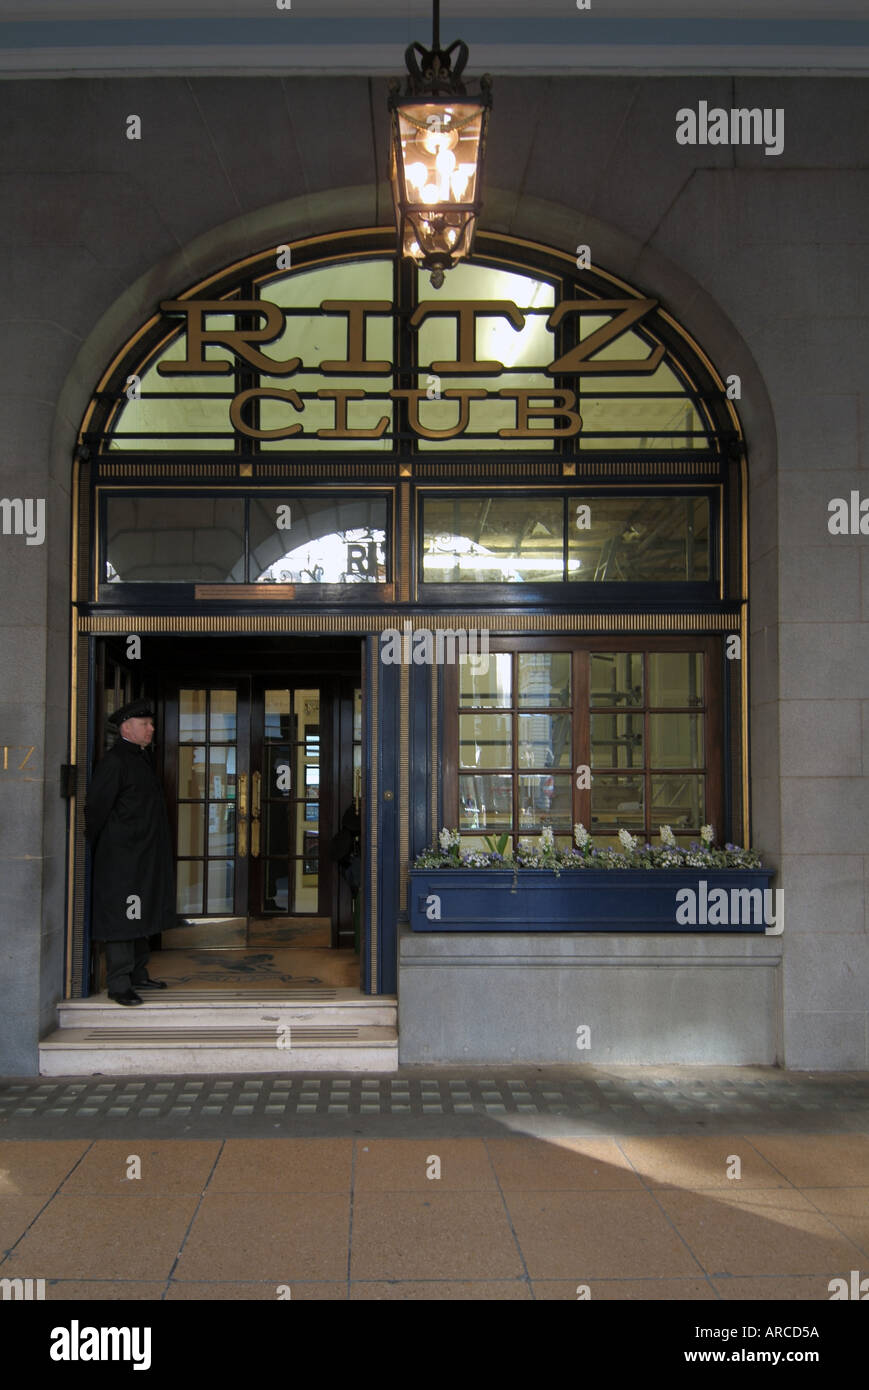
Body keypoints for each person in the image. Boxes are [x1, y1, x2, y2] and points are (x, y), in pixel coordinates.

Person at [84, 698, 175, 1005]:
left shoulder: (141, 758)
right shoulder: (115, 762)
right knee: (123, 917)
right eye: (145, 724)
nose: (151, 729)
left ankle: (138, 973)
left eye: (151, 724)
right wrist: (110, 847)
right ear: (127, 727)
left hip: (143, 854)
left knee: (141, 911)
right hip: (122, 857)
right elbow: (96, 810)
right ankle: (119, 984)